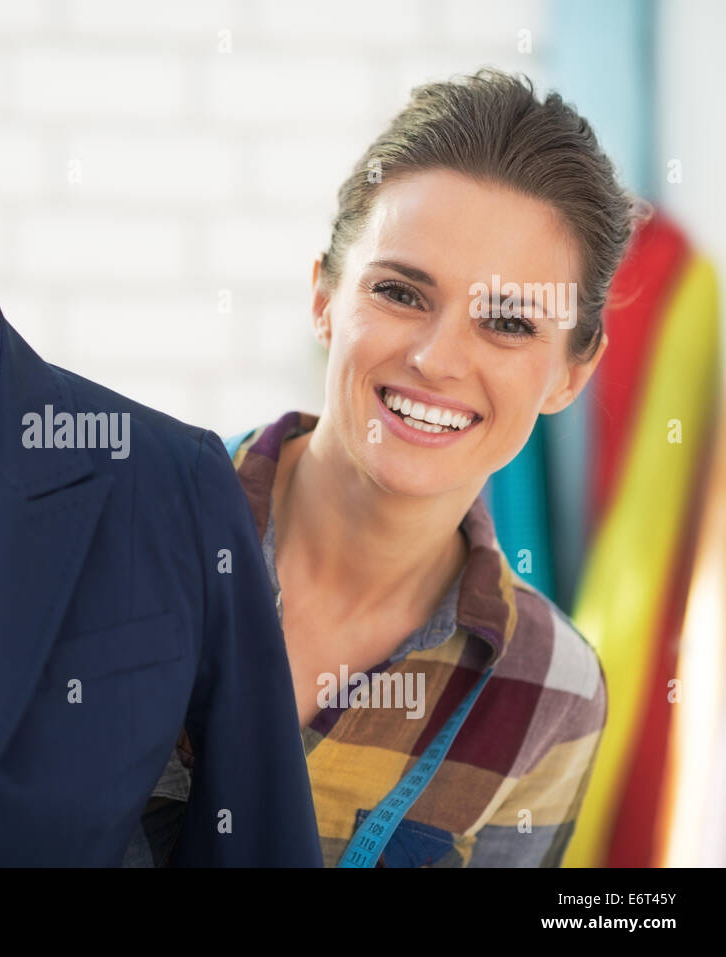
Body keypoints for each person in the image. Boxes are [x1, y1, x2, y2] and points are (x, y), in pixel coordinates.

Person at [131, 68, 638, 867]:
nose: (437, 360)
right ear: (325, 298)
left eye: (507, 320)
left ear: (571, 374)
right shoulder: (124, 535)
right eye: (401, 291)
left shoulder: (553, 693)